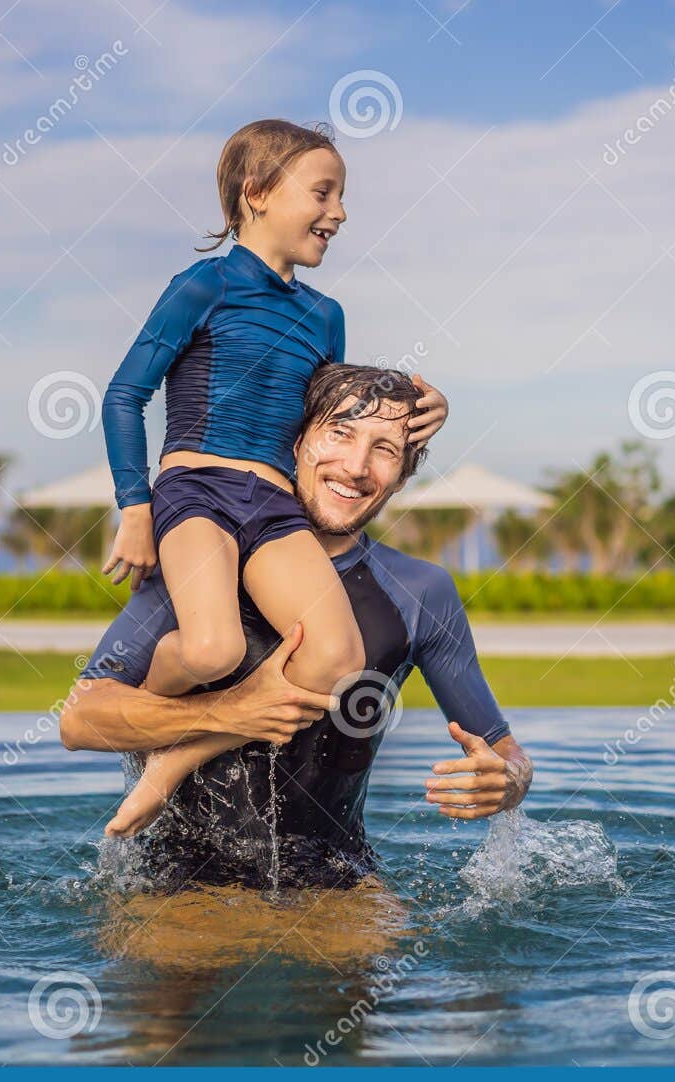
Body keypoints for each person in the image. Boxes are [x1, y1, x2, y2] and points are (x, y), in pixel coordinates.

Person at [97, 118, 449, 827]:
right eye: (323, 193)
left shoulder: (326, 314)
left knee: (337, 657)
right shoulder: (205, 285)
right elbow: (123, 394)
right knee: (212, 646)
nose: (340, 212)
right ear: (257, 193)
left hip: (275, 505)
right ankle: (150, 730)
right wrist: (136, 507)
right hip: (198, 490)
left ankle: (174, 757)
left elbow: (333, 421)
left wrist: (425, 407)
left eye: (341, 196)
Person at [61, 363, 532, 888]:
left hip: (337, 871)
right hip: (181, 879)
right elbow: (81, 720)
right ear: (295, 442)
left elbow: (503, 749)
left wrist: (507, 781)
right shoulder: (203, 561)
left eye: (385, 449)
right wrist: (233, 712)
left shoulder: (421, 591)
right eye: (340, 432)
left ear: (402, 477)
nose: (356, 466)